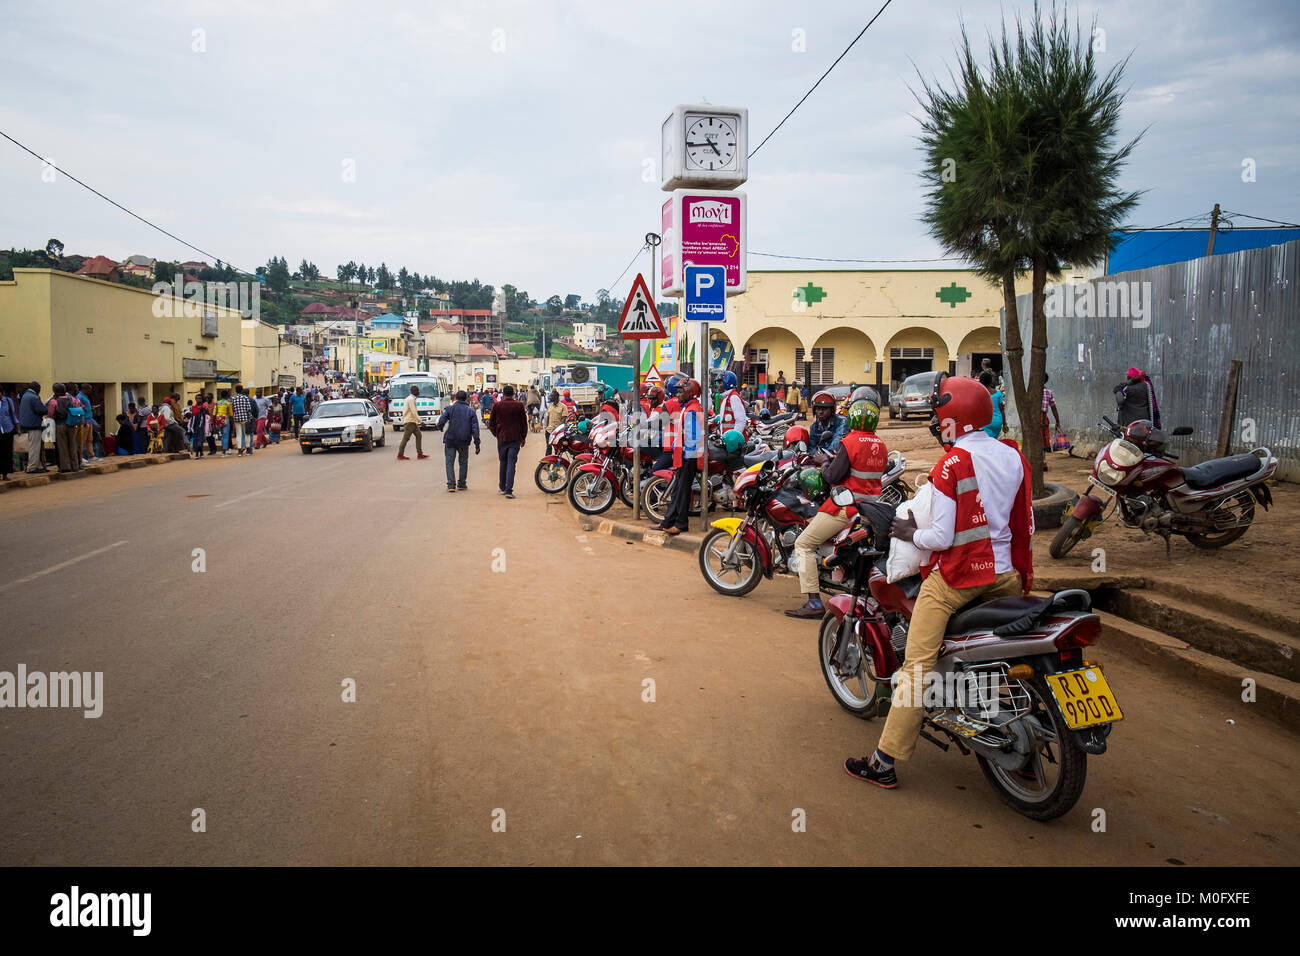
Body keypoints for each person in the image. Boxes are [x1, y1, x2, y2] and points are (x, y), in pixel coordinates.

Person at [845, 375, 1033, 789]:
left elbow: (941, 538)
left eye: (939, 415)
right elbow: (1024, 522)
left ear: (953, 419)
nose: (936, 421)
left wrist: (906, 532)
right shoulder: (1012, 455)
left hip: (963, 577)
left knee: (916, 666)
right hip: (1006, 576)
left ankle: (884, 762)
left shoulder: (953, 463)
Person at [786, 399, 889, 618]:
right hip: (872, 507)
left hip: (846, 507)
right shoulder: (880, 444)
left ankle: (813, 602)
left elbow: (832, 475)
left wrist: (823, 462)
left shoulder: (849, 441)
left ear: (851, 417)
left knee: (803, 543)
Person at [659, 378, 704, 535]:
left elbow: (694, 437)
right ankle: (668, 521)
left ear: (690, 393)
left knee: (683, 491)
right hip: (683, 455)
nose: (677, 393)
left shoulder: (692, 409)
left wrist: (685, 454)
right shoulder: (688, 407)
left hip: (688, 457)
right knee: (677, 490)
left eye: (680, 391)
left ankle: (681, 524)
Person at [435, 390, 480, 492]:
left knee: (449, 462)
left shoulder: (449, 409)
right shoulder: (471, 411)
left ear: (455, 398)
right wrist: (477, 444)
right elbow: (475, 429)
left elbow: (442, 420)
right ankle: (461, 484)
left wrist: (440, 427)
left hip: (450, 439)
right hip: (464, 440)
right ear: (466, 399)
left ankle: (451, 485)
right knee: (463, 462)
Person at [489, 384, 528, 498]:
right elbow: (523, 423)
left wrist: (497, 434)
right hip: (515, 438)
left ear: (503, 394)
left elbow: (491, 424)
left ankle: (502, 487)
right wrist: (523, 437)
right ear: (513, 394)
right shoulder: (519, 405)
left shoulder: (497, 405)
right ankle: (509, 490)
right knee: (511, 463)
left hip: (502, 438)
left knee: (503, 462)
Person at [47, 384, 80, 473]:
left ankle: (66, 467)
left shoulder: (53, 401)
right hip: (72, 424)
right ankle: (75, 466)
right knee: (73, 444)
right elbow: (77, 408)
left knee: (62, 446)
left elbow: (50, 414)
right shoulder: (72, 399)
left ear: (55, 391)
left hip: (60, 424)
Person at [809, 390, 848, 461]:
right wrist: (816, 455)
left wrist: (828, 454)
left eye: (825, 408)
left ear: (832, 410)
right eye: (818, 408)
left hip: (840, 459)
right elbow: (811, 447)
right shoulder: (814, 427)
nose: (820, 412)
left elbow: (838, 439)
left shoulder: (842, 421)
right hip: (824, 461)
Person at [18, 382, 48, 473]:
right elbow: (41, 410)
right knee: (34, 447)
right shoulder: (34, 397)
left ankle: (37, 465)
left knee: (33, 446)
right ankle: (32, 467)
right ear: (36, 388)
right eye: (39, 388)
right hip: (34, 424)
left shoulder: (25, 396)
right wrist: (46, 408)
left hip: (25, 424)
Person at [396, 385, 429, 460]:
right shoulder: (411, 399)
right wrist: (421, 421)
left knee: (419, 436)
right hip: (409, 422)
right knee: (406, 438)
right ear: (414, 392)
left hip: (413, 421)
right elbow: (414, 411)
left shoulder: (411, 398)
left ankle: (420, 454)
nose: (419, 392)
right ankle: (400, 455)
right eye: (417, 390)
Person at [716, 370, 747, 437]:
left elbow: (741, 421)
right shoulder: (725, 398)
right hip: (727, 439)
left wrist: (733, 438)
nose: (718, 386)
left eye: (720, 383)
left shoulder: (733, 397)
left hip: (734, 443)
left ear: (727, 383)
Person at [978, 370, 1006, 439]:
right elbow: (1002, 409)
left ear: (980, 381)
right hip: (997, 422)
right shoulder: (998, 393)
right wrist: (1004, 424)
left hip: (984, 422)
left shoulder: (979, 394)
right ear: (991, 381)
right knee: (994, 441)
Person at [1041, 373, 1062, 460]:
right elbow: (1053, 408)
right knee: (1043, 437)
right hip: (1043, 417)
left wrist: (1057, 421)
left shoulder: (1032, 392)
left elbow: (1053, 408)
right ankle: (1043, 459)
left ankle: (1043, 459)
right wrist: (1057, 421)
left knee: (1040, 438)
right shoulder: (1048, 392)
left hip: (1039, 417)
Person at [232, 385, 256, 456]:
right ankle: (248, 449)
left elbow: (233, 408)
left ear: (236, 391)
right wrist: (250, 417)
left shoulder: (234, 399)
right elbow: (249, 409)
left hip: (236, 418)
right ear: (242, 390)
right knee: (247, 434)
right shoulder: (245, 398)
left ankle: (239, 451)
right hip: (245, 418)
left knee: (239, 434)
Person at [0, 386, 17, 480]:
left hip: (8, 429)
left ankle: (5, 474)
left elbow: (13, 414)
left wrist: (17, 427)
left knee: (7, 452)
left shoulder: (8, 401)